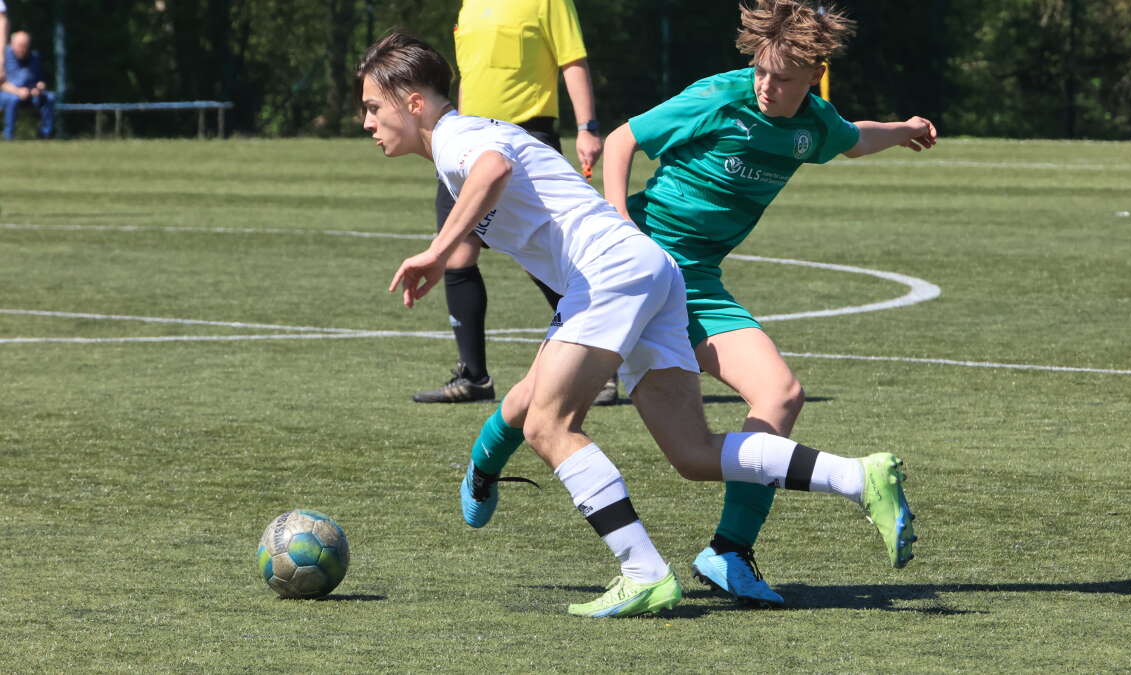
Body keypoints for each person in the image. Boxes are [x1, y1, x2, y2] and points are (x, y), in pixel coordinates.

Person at [357, 29, 916, 617]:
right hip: (652, 270)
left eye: (373, 106)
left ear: (412, 101)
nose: (367, 121)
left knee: (548, 424)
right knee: (693, 453)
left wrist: (438, 249)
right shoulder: (473, 132)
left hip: (611, 273)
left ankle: (642, 570)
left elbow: (493, 169)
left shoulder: (456, 137)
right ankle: (857, 477)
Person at [412, 0, 617, 405]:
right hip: (467, 143)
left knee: (544, 255)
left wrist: (587, 127)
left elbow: (572, 61)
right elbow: (468, 77)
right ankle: (474, 377)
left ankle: (601, 367)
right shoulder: (470, 7)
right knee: (456, 256)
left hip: (526, 140)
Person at [2, 30, 56, 141]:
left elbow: (41, 81)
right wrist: (17, 91)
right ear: (12, 44)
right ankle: (9, 136)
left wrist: (39, 87)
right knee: (13, 99)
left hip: (30, 95)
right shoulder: (2, 58)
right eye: (20, 46)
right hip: (8, 94)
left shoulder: (34, 57)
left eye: (26, 46)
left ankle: (45, 135)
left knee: (50, 97)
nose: (23, 49)